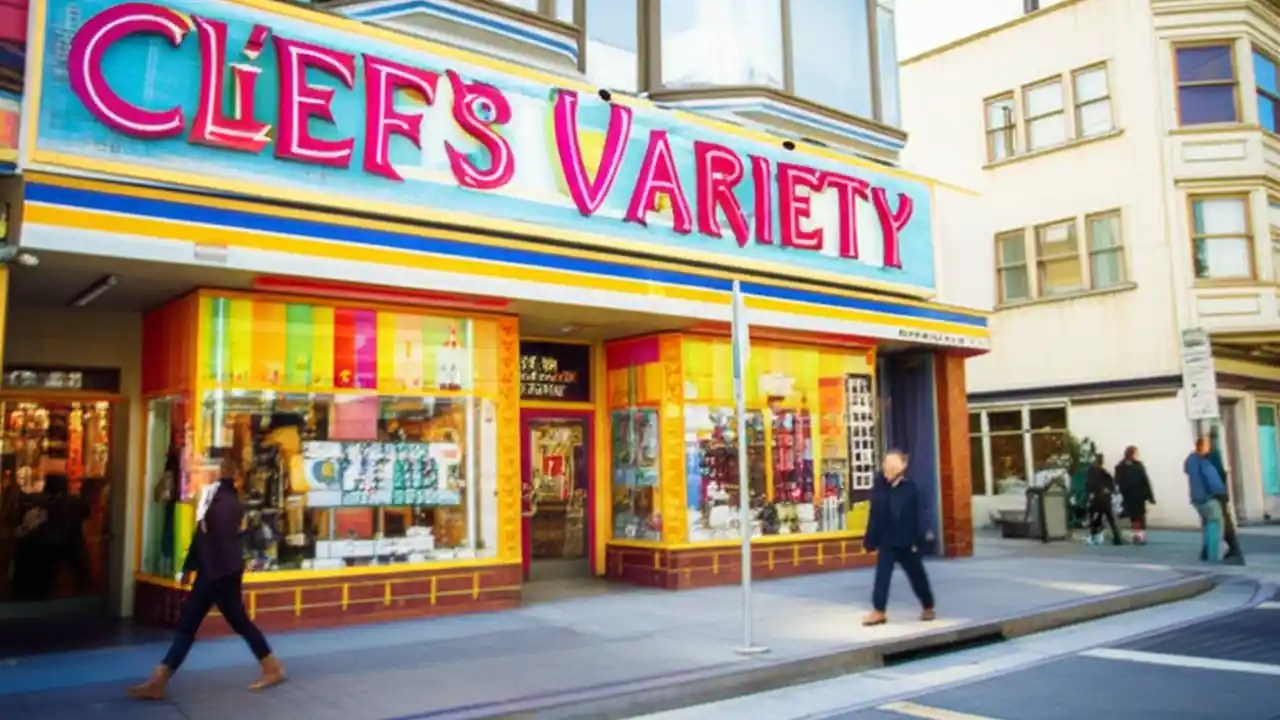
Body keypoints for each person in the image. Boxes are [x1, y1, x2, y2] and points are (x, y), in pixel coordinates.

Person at [128, 456, 285, 700]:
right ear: (239, 478)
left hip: (214, 574)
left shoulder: (214, 500)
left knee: (192, 626)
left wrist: (190, 567)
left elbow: (201, 537)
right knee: (226, 622)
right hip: (222, 573)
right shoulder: (232, 502)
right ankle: (270, 665)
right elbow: (212, 538)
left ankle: (160, 679)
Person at [861, 450, 935, 626]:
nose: (888, 468)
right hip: (887, 540)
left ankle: (928, 606)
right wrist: (870, 540)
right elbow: (874, 515)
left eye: (893, 464)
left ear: (902, 467)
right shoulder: (879, 487)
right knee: (882, 576)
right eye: (886, 464)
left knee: (917, 575)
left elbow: (919, 517)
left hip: (907, 541)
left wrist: (920, 540)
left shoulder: (910, 488)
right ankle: (879, 611)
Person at [1202, 435, 1244, 564]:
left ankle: (1231, 546)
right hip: (1213, 495)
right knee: (1214, 521)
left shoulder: (1212, 457)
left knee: (1220, 520)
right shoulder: (1210, 457)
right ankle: (1211, 549)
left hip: (1216, 494)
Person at [1184, 437, 1226, 564]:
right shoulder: (1204, 462)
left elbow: (1187, 470)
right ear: (1202, 447)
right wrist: (1220, 492)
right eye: (1207, 445)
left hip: (1196, 498)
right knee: (1215, 523)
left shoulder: (1190, 460)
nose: (1209, 448)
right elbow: (1212, 480)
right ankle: (1213, 555)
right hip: (1207, 497)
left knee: (1207, 524)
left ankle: (1205, 552)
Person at [1115, 446, 1155, 545]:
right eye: (1136, 453)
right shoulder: (1137, 466)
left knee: (1135, 517)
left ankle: (1136, 537)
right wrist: (1150, 496)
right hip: (1135, 495)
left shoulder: (1120, 466)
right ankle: (1137, 537)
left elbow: (1117, 482)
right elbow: (1145, 481)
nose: (1138, 455)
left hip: (1130, 496)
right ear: (1132, 454)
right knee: (1138, 517)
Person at [1085, 454, 1123, 546]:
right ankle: (1117, 538)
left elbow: (1089, 485)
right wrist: (1108, 490)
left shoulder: (1091, 472)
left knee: (1095, 519)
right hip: (1105, 500)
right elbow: (1112, 485)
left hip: (1096, 499)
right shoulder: (1105, 472)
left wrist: (1089, 496)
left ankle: (1095, 538)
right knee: (1110, 519)